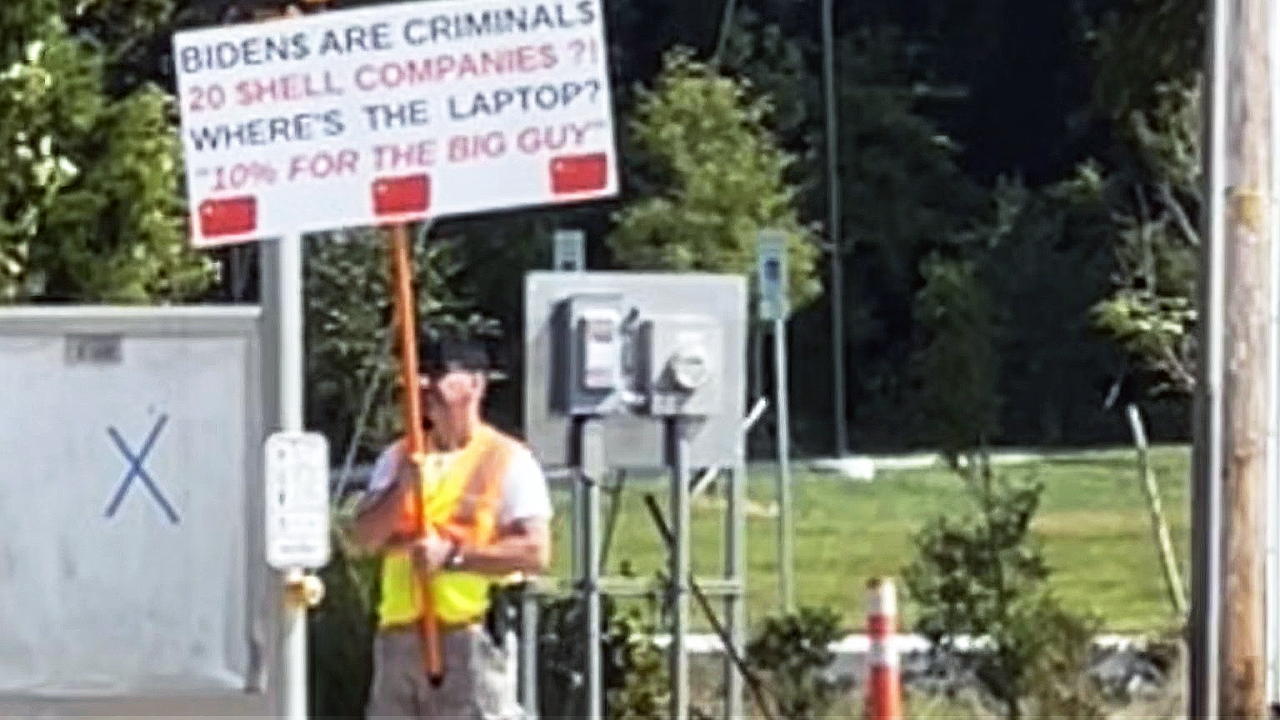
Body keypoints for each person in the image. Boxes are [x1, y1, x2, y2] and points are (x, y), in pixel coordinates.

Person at [351, 328, 552, 720]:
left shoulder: (507, 459)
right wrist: (402, 487)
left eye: (438, 372)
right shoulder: (399, 458)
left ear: (474, 384)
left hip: (468, 636)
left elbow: (535, 551)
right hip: (399, 637)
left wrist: (453, 557)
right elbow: (364, 537)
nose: (424, 386)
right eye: (419, 374)